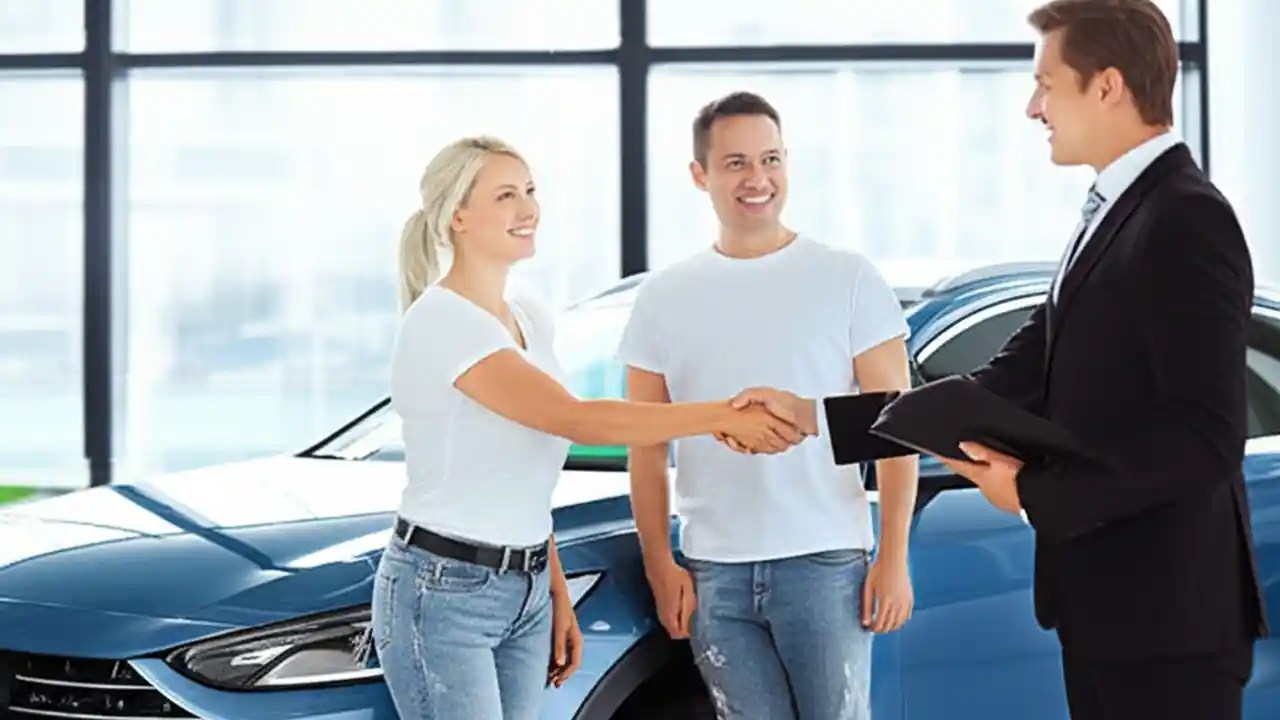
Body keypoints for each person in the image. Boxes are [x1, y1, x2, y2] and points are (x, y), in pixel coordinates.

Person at [733, 2, 1268, 718]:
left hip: (1168, 620)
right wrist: (821, 420)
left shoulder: (1184, 218)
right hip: (1116, 614)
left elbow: (1203, 437)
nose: (1031, 107)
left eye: (1047, 83)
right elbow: (1003, 385)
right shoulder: (1118, 214)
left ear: (1106, 86)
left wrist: (1034, 495)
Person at [372, 135, 802, 720]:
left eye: (529, 191)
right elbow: (576, 418)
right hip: (443, 592)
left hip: (521, 583)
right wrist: (724, 415)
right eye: (506, 195)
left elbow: (520, 466)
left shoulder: (525, 313)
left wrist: (549, 588)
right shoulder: (444, 322)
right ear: (457, 217)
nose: (528, 210)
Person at [616, 92, 918, 720]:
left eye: (770, 159)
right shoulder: (662, 297)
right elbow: (643, 442)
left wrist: (893, 558)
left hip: (826, 565)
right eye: (735, 163)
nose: (757, 179)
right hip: (713, 572)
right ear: (700, 175)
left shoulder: (848, 278)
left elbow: (896, 424)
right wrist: (658, 562)